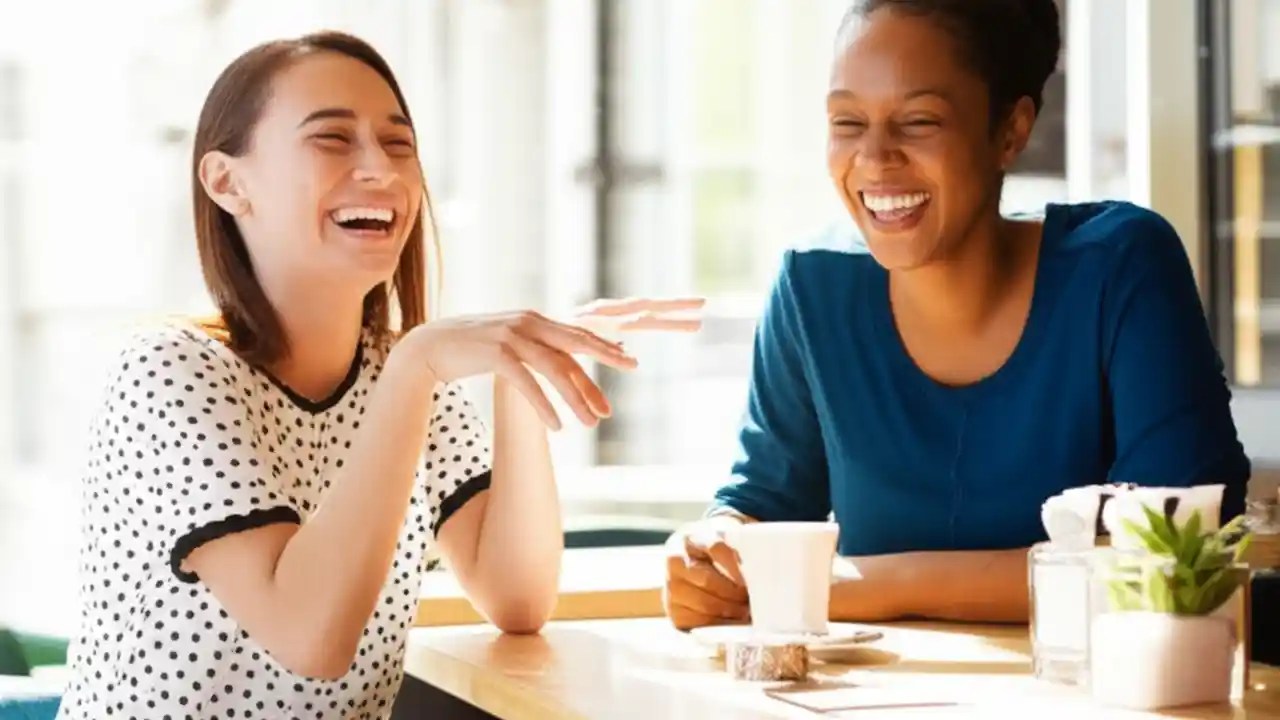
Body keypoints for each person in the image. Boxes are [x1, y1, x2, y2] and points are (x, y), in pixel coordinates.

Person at [57, 32, 701, 719]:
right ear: (227, 183)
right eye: (332, 140)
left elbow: (517, 598)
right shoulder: (169, 375)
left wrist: (519, 372)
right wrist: (415, 368)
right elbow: (310, 638)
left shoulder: (403, 374)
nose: (382, 171)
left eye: (398, 145)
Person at [663, 0, 1251, 631]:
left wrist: (861, 585)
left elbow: (1172, 557)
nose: (875, 157)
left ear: (1011, 130)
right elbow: (763, 506)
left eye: (918, 121)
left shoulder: (1120, 265)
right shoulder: (813, 290)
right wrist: (712, 551)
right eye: (847, 120)